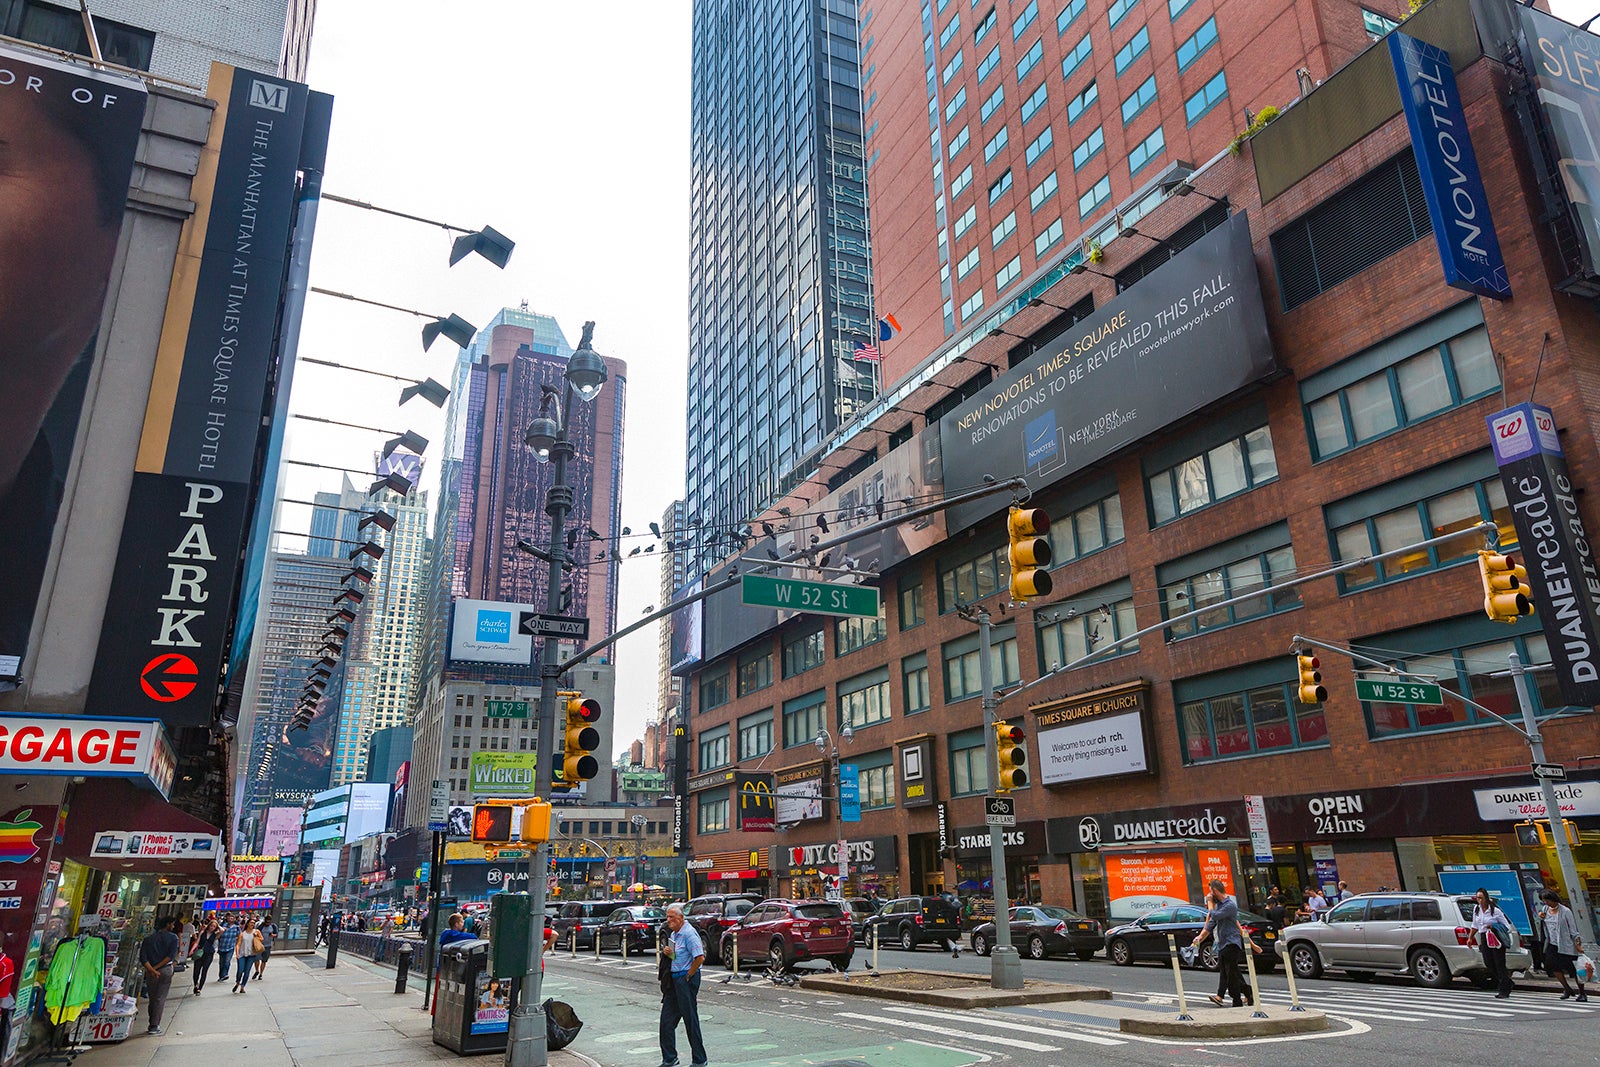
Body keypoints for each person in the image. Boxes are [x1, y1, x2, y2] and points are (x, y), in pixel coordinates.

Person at [1192, 880, 1260, 1008]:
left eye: (1210, 892)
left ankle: (1236, 999)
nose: (1209, 895)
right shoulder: (1219, 906)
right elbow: (1211, 924)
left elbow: (1216, 916)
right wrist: (1199, 938)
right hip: (1222, 943)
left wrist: (1210, 903)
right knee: (1230, 972)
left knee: (1230, 973)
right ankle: (1246, 991)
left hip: (1232, 943)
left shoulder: (1229, 905)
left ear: (1215, 891)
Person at [658, 903, 706, 1067]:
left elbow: (699, 957)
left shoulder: (689, 934)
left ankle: (699, 1060)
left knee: (690, 1020)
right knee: (666, 1022)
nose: (668, 920)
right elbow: (675, 958)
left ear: (681, 918)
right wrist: (669, 953)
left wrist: (688, 975)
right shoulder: (674, 934)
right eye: (667, 917)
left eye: (672, 917)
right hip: (673, 980)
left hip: (685, 979)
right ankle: (670, 1058)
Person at [1539, 889, 1588, 1002]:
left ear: (1554, 899)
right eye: (1544, 901)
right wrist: (1541, 917)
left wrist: (1578, 944)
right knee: (1552, 966)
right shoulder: (1545, 909)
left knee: (1573, 969)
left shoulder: (1565, 911)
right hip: (1552, 943)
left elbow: (1573, 929)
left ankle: (1582, 993)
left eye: (1548, 901)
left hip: (1566, 944)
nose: (1546, 903)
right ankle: (1567, 988)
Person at [1468, 888, 1515, 998]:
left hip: (1495, 937)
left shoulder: (1495, 911)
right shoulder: (1476, 909)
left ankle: (1504, 990)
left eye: (1481, 898)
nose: (1479, 900)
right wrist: (1470, 937)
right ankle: (1506, 981)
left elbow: (1507, 926)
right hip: (1484, 937)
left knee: (1499, 963)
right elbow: (1475, 925)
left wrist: (1493, 927)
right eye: (1477, 898)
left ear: (1486, 898)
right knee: (1488, 962)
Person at [139, 916, 180, 1035]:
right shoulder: (173, 938)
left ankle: (152, 1022)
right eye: (172, 924)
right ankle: (154, 1025)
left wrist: (152, 970)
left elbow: (143, 958)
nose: (173, 926)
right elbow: (170, 956)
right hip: (165, 970)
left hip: (150, 971)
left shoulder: (148, 939)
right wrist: (157, 969)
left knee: (153, 998)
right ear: (168, 924)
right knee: (160, 998)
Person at [232, 918, 261, 993]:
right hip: (242, 954)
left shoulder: (256, 931)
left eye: (254, 923)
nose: (252, 924)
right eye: (251, 923)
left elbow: (262, 939)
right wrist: (237, 953)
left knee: (247, 972)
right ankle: (238, 982)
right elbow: (238, 944)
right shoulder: (242, 934)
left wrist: (256, 936)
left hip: (251, 954)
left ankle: (242, 987)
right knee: (240, 970)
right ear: (247, 924)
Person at [191, 917, 220, 994]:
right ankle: (195, 985)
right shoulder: (202, 932)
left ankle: (200, 988)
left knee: (204, 970)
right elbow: (197, 942)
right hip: (200, 953)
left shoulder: (215, 935)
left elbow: (222, 930)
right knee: (196, 970)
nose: (212, 927)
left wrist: (217, 924)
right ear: (209, 925)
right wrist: (192, 950)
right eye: (211, 926)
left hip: (209, 954)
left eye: (214, 926)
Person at [217, 917, 240, 985]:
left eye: (232, 918)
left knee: (227, 961)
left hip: (230, 947)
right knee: (221, 963)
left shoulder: (236, 928)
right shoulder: (223, 927)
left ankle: (225, 974)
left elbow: (240, 936)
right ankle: (221, 976)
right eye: (229, 918)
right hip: (222, 947)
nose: (231, 920)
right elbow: (217, 935)